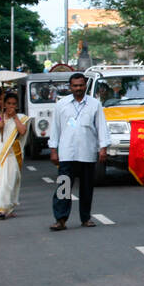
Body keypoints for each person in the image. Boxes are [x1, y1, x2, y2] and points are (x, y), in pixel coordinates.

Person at [48, 72, 109, 231]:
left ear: (85, 86)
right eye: (75, 86)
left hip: (87, 153)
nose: (78, 88)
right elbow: (55, 128)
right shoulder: (62, 104)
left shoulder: (94, 104)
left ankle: (86, 218)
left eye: (81, 85)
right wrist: (53, 150)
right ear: (70, 87)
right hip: (67, 154)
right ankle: (60, 219)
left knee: (87, 188)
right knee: (64, 188)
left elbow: (102, 127)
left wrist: (103, 148)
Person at [0, 89, 27, 219]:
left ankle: (9, 207)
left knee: (12, 181)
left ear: (17, 105)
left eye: (14, 104)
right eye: (9, 103)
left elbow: (22, 131)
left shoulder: (22, 117)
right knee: (1, 181)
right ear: (4, 104)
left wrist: (14, 117)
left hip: (13, 154)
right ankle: (0, 208)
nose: (11, 106)